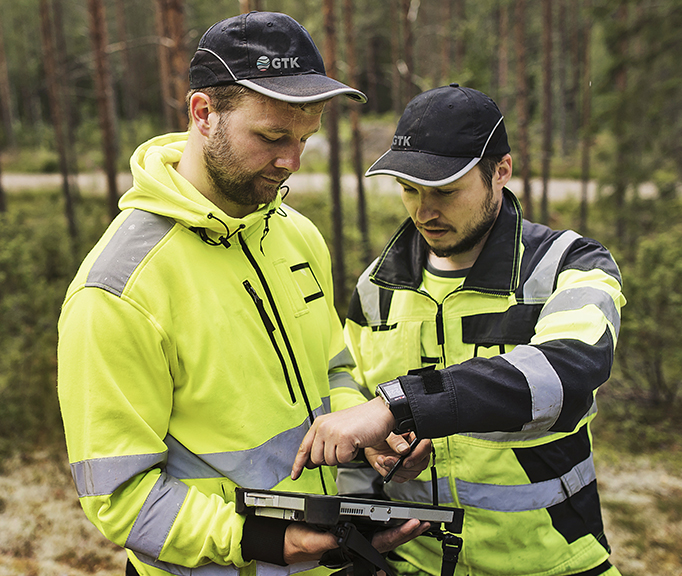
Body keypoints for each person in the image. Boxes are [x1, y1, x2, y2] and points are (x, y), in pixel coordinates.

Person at [57, 11, 428, 576]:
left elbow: (333, 370)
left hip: (329, 560)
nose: (291, 163)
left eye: (305, 139)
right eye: (272, 137)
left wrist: (367, 438)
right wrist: (263, 542)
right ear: (204, 114)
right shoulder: (117, 290)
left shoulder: (296, 233)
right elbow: (118, 495)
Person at [292, 84, 626, 576]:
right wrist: (375, 454)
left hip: (554, 561)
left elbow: (571, 367)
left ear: (501, 171)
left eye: (446, 191)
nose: (425, 211)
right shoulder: (377, 285)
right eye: (409, 189)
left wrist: (397, 406)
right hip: (411, 563)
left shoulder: (570, 264)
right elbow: (351, 390)